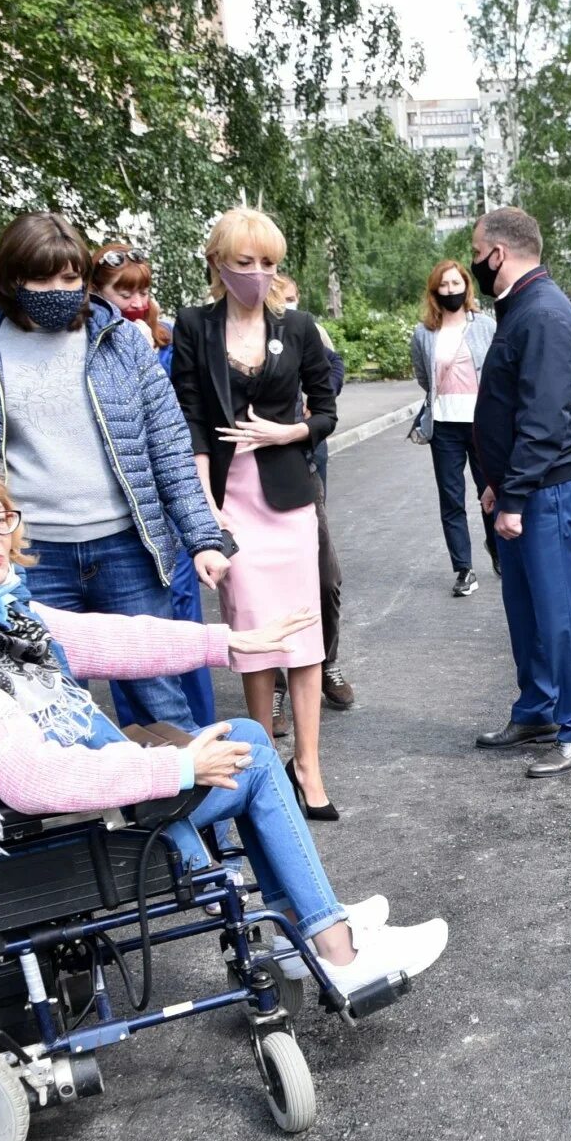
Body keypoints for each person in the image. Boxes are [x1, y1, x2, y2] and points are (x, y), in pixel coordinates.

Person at [0, 459, 447, 994]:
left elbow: (100, 638)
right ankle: (335, 950)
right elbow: (30, 781)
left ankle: (309, 927)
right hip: (31, 830)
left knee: (248, 741)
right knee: (252, 755)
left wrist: (226, 641)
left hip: (44, 809)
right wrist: (178, 766)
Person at [0, 212, 228, 733]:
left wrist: (203, 538)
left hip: (126, 550)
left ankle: (191, 789)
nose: (58, 291)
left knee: (161, 702)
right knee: (51, 710)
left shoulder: (120, 340)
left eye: (70, 278)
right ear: (12, 280)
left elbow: (168, 447)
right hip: (30, 556)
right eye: (41, 279)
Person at [170, 207, 340, 818]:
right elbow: (189, 416)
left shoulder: (298, 327)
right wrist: (206, 508)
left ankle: (309, 765)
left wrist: (286, 432)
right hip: (228, 499)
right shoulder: (193, 326)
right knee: (251, 633)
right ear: (218, 263)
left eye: (269, 262)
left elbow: (325, 410)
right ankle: (265, 759)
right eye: (246, 262)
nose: (259, 273)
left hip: (288, 499)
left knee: (303, 636)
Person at [467, 208, 571, 778]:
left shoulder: (542, 313)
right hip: (522, 490)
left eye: (477, 252)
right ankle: (537, 711)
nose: (474, 262)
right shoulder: (521, 307)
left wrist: (515, 496)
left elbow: (544, 421)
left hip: (544, 493)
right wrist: (496, 484)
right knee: (526, 612)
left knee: (557, 613)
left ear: (498, 253)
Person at [90, 241, 217, 731]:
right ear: (96, 292)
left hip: (167, 505)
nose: (137, 301)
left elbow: (182, 421)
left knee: (183, 624)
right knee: (129, 639)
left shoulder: (168, 341)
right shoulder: (88, 347)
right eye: (124, 292)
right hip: (119, 514)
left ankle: (200, 731)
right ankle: (144, 743)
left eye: (143, 290)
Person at [265, 274, 353, 739]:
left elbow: (333, 366)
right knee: (266, 587)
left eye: (293, 298)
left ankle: (326, 660)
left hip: (305, 460)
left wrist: (314, 409)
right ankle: (275, 685)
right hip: (250, 476)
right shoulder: (227, 334)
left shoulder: (305, 328)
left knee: (324, 575)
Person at [410, 259, 498, 596]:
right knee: (451, 498)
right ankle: (464, 569)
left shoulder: (485, 326)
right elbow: (423, 376)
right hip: (444, 425)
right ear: (435, 290)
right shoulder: (424, 333)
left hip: (482, 423)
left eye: (455, 284)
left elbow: (497, 369)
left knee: (490, 489)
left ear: (466, 286)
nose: (450, 290)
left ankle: (498, 549)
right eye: (444, 285)